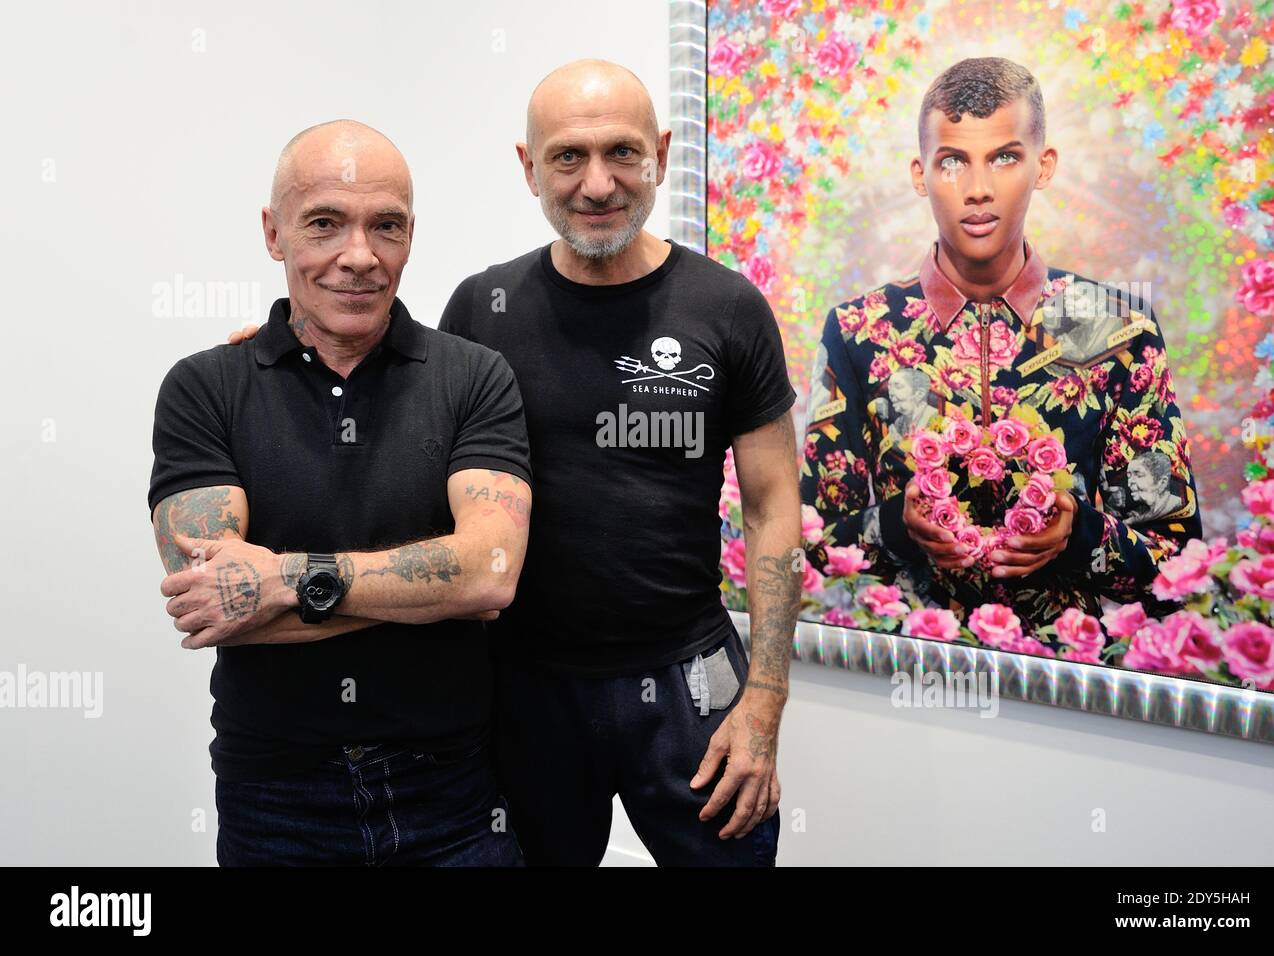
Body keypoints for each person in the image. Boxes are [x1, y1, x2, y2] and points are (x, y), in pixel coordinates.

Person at [228, 61, 801, 867]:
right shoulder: (481, 307)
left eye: (622, 153)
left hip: (689, 687)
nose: (597, 183)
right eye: (568, 157)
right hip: (524, 693)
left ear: (662, 156)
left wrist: (766, 701)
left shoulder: (728, 307)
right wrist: (279, 345)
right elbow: (373, 352)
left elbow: (774, 509)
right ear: (529, 168)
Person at [150, 120, 533, 866]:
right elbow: (216, 606)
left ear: (411, 236)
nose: (359, 256)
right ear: (274, 233)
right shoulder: (204, 388)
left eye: (385, 226)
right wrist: (428, 589)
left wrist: (282, 579)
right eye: (324, 224)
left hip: (453, 793)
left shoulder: (474, 377)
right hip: (277, 799)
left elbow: (491, 576)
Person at [801, 57, 1201, 632]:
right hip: (900, 676)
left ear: (1044, 165)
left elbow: (1178, 564)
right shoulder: (859, 330)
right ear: (920, 174)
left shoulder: (1118, 328)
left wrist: (1077, 533)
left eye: (1005, 157)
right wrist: (897, 527)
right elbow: (811, 549)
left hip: (1065, 688)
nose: (979, 189)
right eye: (953, 161)